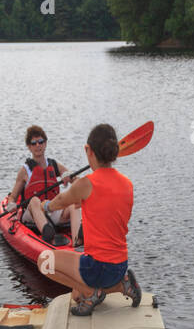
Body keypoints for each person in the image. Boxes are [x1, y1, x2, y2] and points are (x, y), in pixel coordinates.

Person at [37, 123, 141, 316]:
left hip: (97, 268)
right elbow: (103, 204)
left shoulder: (86, 184)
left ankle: (92, 293)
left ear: (88, 150)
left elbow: (60, 201)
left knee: (44, 261)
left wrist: (45, 206)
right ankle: (123, 285)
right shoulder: (127, 184)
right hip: (120, 265)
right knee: (76, 295)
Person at [9, 126, 80, 245]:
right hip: (32, 215)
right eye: (34, 143)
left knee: (73, 203)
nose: (38, 145)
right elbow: (13, 197)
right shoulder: (25, 171)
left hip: (52, 210)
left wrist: (68, 176)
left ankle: (77, 241)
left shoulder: (54, 165)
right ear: (29, 146)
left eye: (41, 142)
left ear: (45, 143)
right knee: (34, 200)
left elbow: (78, 182)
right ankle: (47, 234)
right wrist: (11, 204)